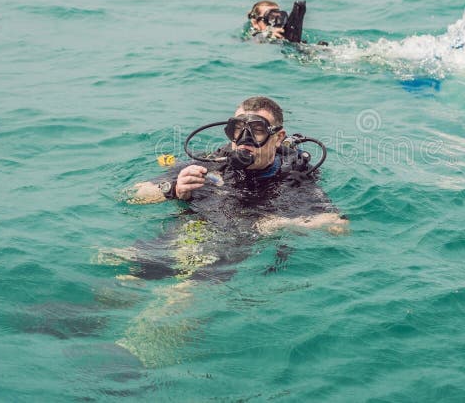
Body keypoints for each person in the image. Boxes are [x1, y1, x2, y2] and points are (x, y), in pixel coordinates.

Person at [105, 96, 347, 366]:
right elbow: (131, 194)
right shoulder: (211, 163)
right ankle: (71, 330)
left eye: (255, 130)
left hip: (230, 249)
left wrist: (280, 223)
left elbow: (338, 225)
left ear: (278, 138)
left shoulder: (293, 179)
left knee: (180, 298)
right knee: (123, 280)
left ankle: (131, 364)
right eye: (236, 129)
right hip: (185, 233)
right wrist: (174, 189)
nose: (243, 138)